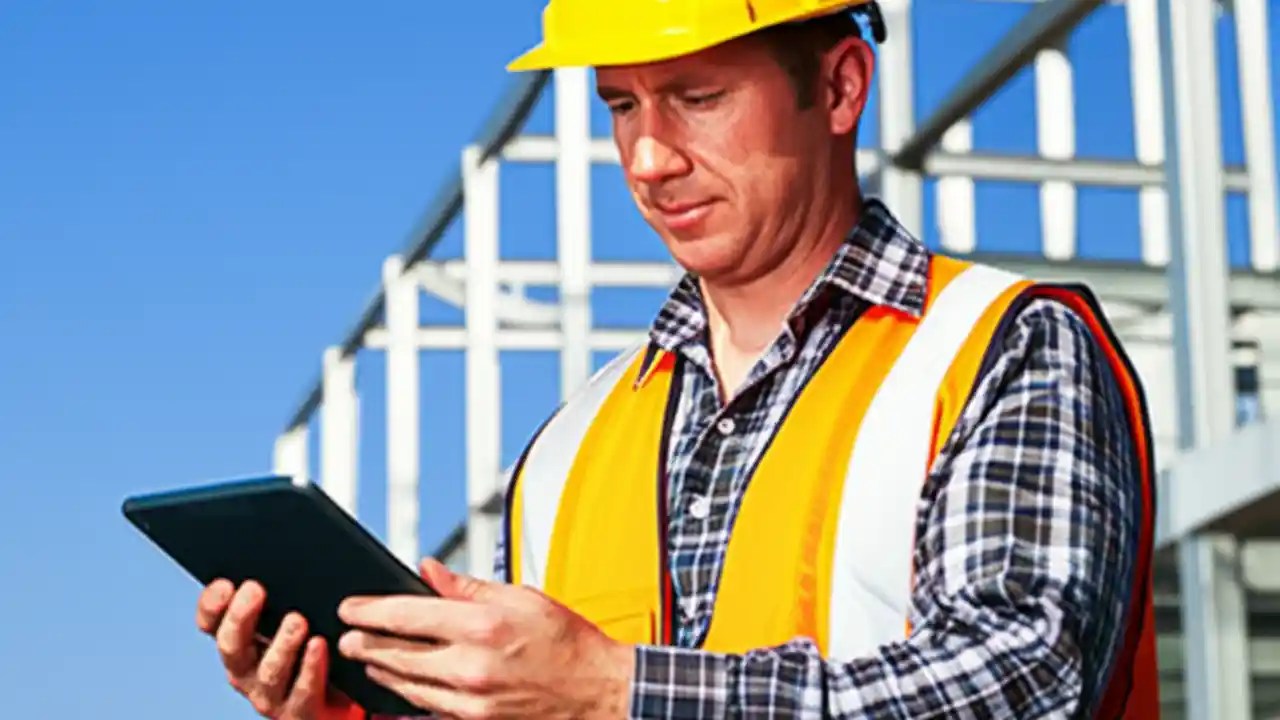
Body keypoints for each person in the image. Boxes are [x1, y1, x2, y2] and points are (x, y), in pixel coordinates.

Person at [194, 1, 1162, 717]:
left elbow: (1024, 682)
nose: (648, 158)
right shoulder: (568, 453)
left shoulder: (1002, 349)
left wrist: (613, 689)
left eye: (696, 98)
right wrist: (361, 709)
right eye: (621, 105)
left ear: (836, 88)